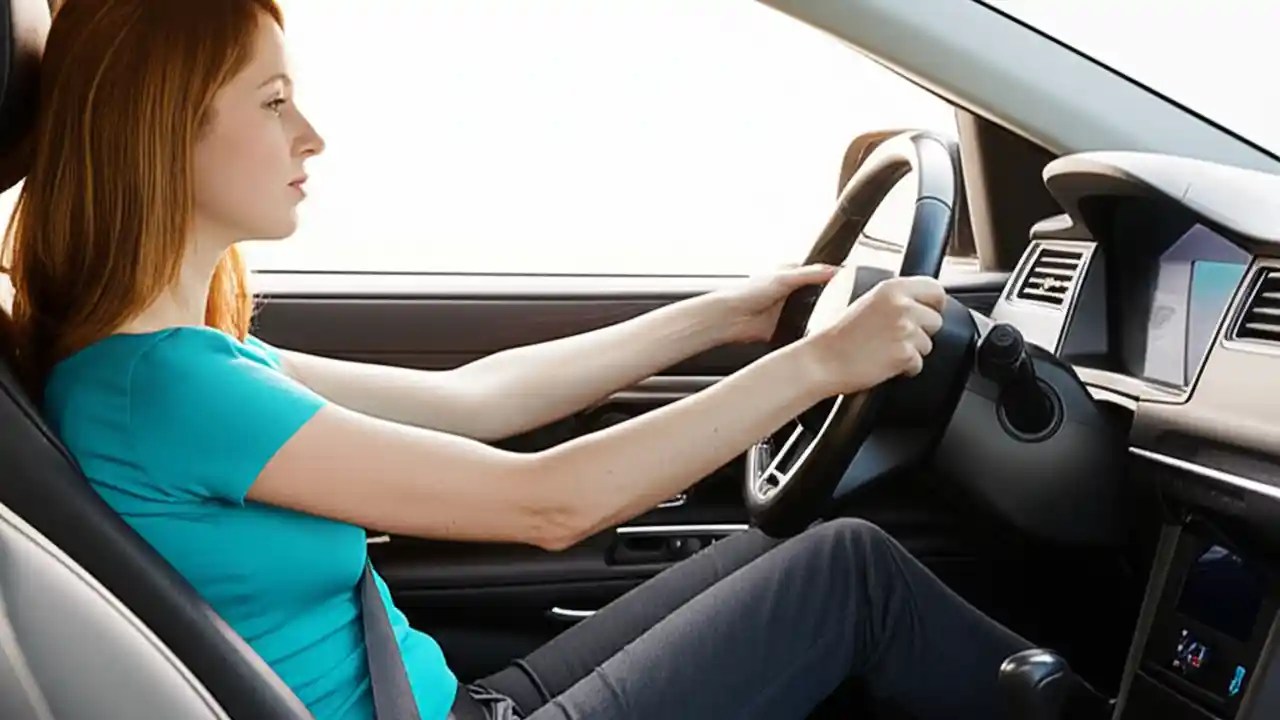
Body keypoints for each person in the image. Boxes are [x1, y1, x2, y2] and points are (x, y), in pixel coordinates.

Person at [0, 1, 1034, 718]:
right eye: (272, 102)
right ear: (161, 134)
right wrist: (816, 369)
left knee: (791, 545)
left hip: (455, 703)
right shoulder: (167, 388)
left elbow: (473, 399)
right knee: (844, 575)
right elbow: (547, 504)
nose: (309, 135)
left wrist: (721, 318)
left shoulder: (164, 364)